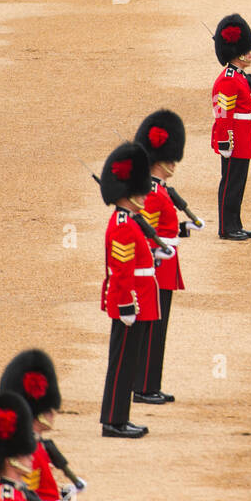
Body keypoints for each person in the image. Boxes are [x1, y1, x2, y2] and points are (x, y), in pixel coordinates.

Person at [98, 141, 161, 437]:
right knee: (122, 365)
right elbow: (122, 273)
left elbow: (137, 259)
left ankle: (120, 418)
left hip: (137, 300)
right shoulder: (123, 224)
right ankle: (113, 421)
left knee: (127, 363)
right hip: (130, 303)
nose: (145, 195)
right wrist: (126, 306)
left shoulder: (130, 221)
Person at [133, 109, 194, 405]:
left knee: (158, 329)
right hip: (157, 268)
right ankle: (144, 387)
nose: (174, 164)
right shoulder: (154, 193)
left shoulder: (159, 190)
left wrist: (183, 228)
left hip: (165, 264)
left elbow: (160, 229)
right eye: (169, 159)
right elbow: (146, 234)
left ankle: (149, 384)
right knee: (152, 330)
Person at [0, 349, 86, 501]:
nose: (53, 414)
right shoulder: (32, 453)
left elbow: (47, 490)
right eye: (48, 410)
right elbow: (33, 499)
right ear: (37, 413)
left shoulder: (38, 447)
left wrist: (69, 490)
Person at [211, 14, 251, 239]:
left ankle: (235, 223)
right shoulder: (228, 79)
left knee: (238, 183)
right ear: (237, 53)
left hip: (243, 135)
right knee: (231, 183)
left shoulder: (239, 76)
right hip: (233, 138)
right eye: (247, 51)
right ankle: (226, 227)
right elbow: (223, 114)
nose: (250, 54)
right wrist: (225, 141)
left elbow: (242, 107)